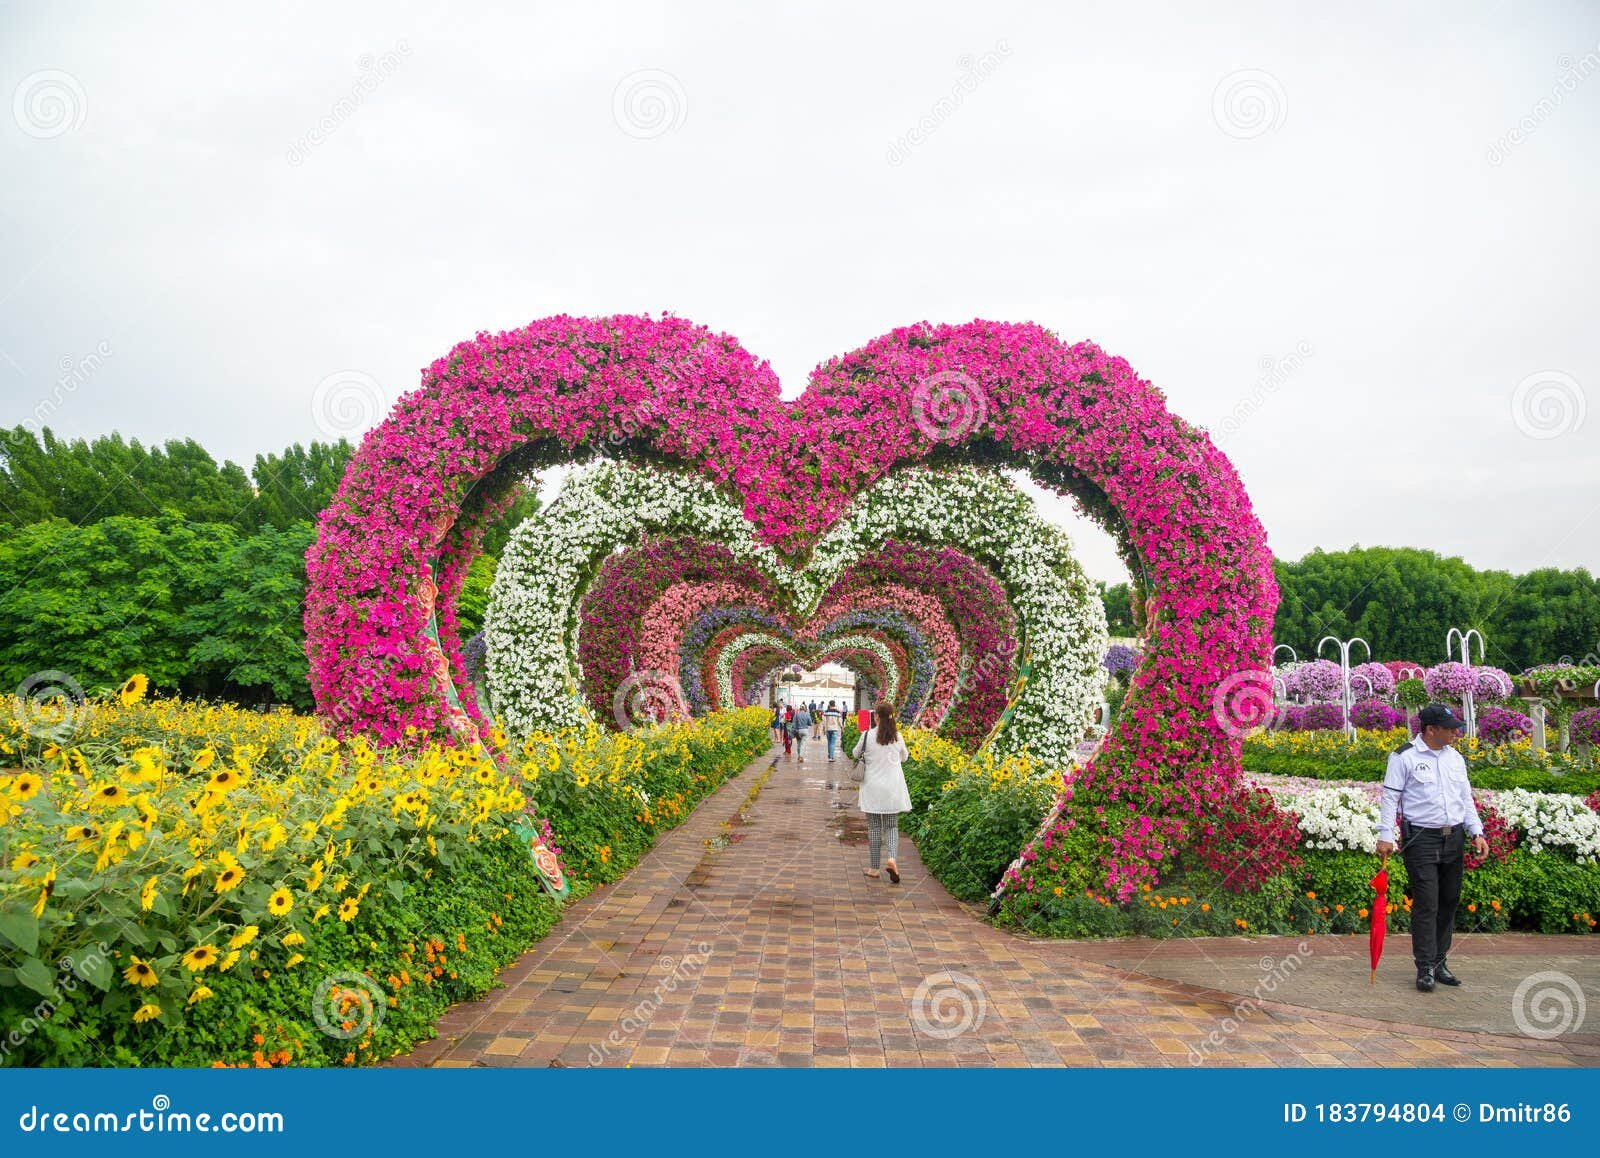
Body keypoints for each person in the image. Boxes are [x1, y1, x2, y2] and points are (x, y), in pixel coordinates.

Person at [1376, 703, 1489, 993]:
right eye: (1450, 727)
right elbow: (1391, 799)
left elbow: (1466, 798)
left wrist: (1477, 831)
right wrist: (1385, 835)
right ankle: (1424, 965)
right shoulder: (1404, 757)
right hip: (1421, 839)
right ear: (1430, 729)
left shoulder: (1455, 759)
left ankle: (1440, 961)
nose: (1456, 732)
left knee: (1449, 900)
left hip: (1454, 838)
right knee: (1427, 902)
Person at [851, 702, 912, 883]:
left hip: (872, 787)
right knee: (892, 825)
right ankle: (892, 858)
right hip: (893, 787)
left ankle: (874, 868)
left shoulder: (867, 735)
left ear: (876, 716)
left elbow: (855, 754)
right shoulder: (897, 736)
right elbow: (905, 757)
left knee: (874, 827)